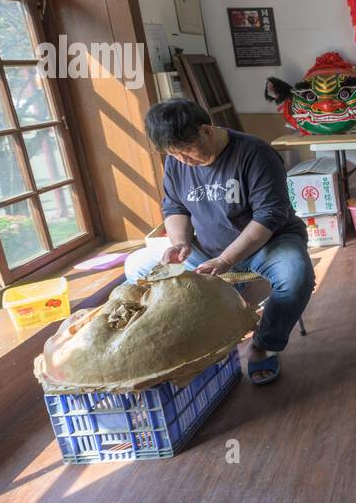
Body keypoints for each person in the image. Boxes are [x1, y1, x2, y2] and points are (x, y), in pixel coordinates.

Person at [126, 99, 314, 386]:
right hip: (208, 249)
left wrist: (226, 260)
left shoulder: (256, 154)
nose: (183, 160)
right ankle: (192, 349)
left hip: (268, 243)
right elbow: (176, 207)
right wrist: (179, 242)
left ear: (206, 131)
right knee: (137, 266)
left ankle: (264, 345)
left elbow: (269, 217)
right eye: (173, 154)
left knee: (296, 276)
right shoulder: (177, 163)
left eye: (187, 150)